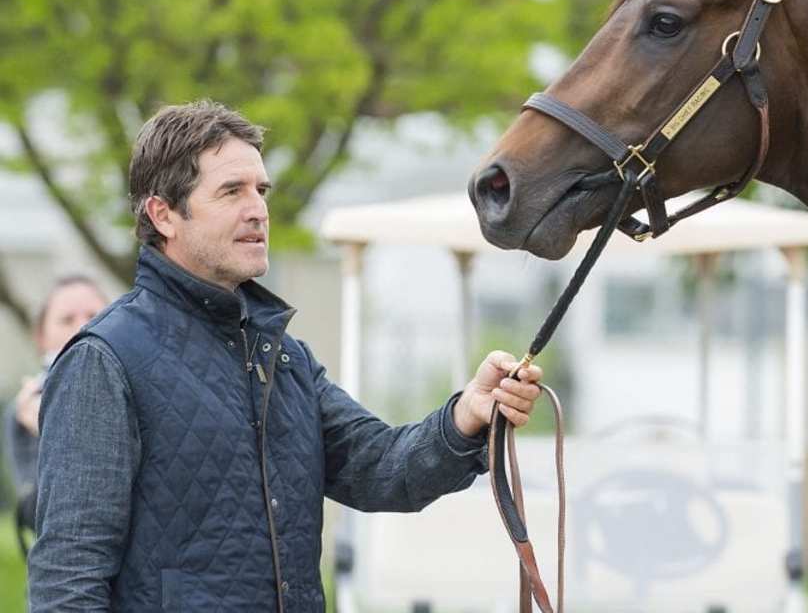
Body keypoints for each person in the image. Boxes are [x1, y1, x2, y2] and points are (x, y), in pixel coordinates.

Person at [28, 100, 544, 611]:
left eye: (261, 190)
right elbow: (67, 580)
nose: (258, 209)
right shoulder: (104, 359)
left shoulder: (284, 355)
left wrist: (468, 416)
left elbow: (383, 469)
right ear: (163, 214)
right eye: (231, 191)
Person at [3, 276, 109, 554]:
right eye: (66, 319)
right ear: (41, 337)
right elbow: (38, 514)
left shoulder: (139, 388)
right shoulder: (26, 408)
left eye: (93, 315)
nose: (82, 326)